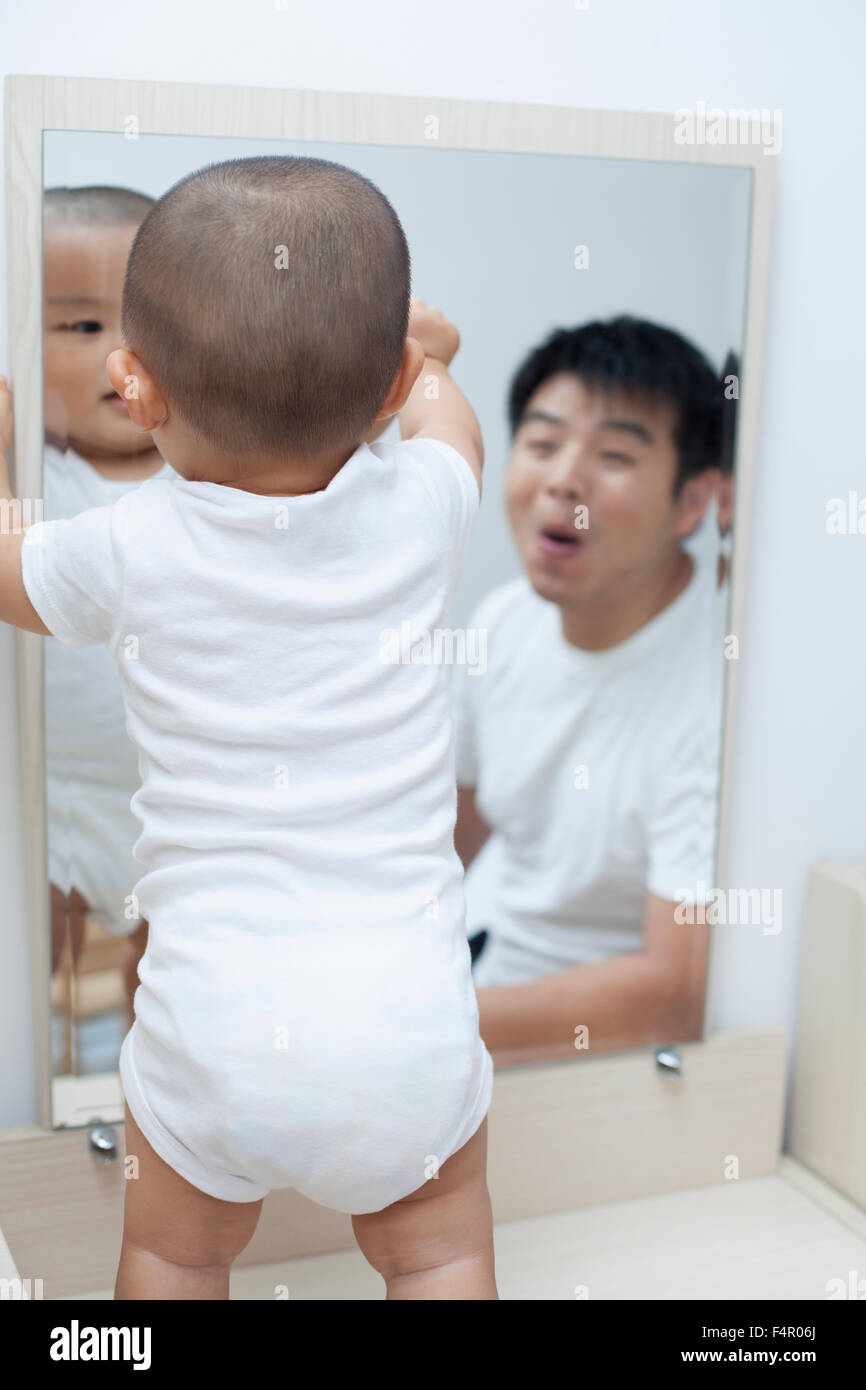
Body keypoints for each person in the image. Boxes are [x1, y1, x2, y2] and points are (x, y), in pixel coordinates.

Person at [0, 155, 496, 1300]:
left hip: (211, 1030)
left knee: (174, 1250)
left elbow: (12, 570)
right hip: (406, 1027)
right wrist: (420, 359)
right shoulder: (426, 510)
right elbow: (445, 417)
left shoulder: (123, 548)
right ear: (382, 385)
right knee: (441, 1251)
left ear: (134, 386)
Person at [453, 317, 727, 1066]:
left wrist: (417, 1026)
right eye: (541, 445)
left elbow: (678, 988)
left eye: (613, 456)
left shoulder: (722, 690)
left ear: (693, 502)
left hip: (627, 1054)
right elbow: (451, 834)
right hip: (488, 988)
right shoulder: (505, 622)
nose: (562, 481)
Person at [42, 185, 172, 1029]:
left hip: (181, 793)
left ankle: (149, 1112)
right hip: (46, 791)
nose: (124, 357)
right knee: (31, 962)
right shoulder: (32, 477)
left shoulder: (216, 476)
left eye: (155, 329)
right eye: (85, 327)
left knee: (167, 982)